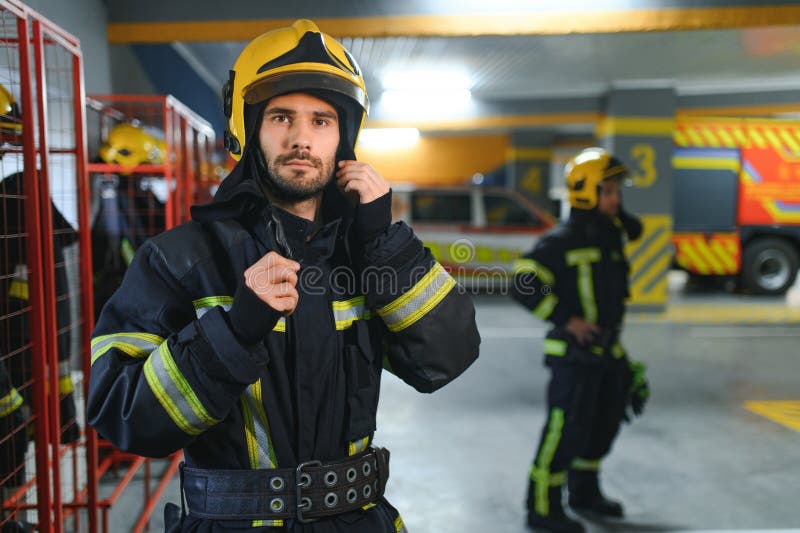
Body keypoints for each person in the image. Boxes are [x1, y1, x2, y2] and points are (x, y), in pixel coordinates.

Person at [87, 19, 480, 532]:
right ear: (248, 129)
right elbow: (122, 415)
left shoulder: (370, 256)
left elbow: (447, 358)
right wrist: (232, 333)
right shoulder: (180, 259)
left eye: (321, 120)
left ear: (345, 137)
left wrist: (384, 247)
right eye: (281, 117)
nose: (301, 138)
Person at [511, 147, 650, 532]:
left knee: (602, 424)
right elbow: (523, 283)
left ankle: (585, 493)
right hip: (573, 356)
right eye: (608, 191)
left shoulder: (609, 236)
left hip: (607, 353)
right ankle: (542, 508)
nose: (616, 199)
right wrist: (567, 319)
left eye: (617, 191)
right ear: (586, 191)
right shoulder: (563, 239)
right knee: (565, 430)